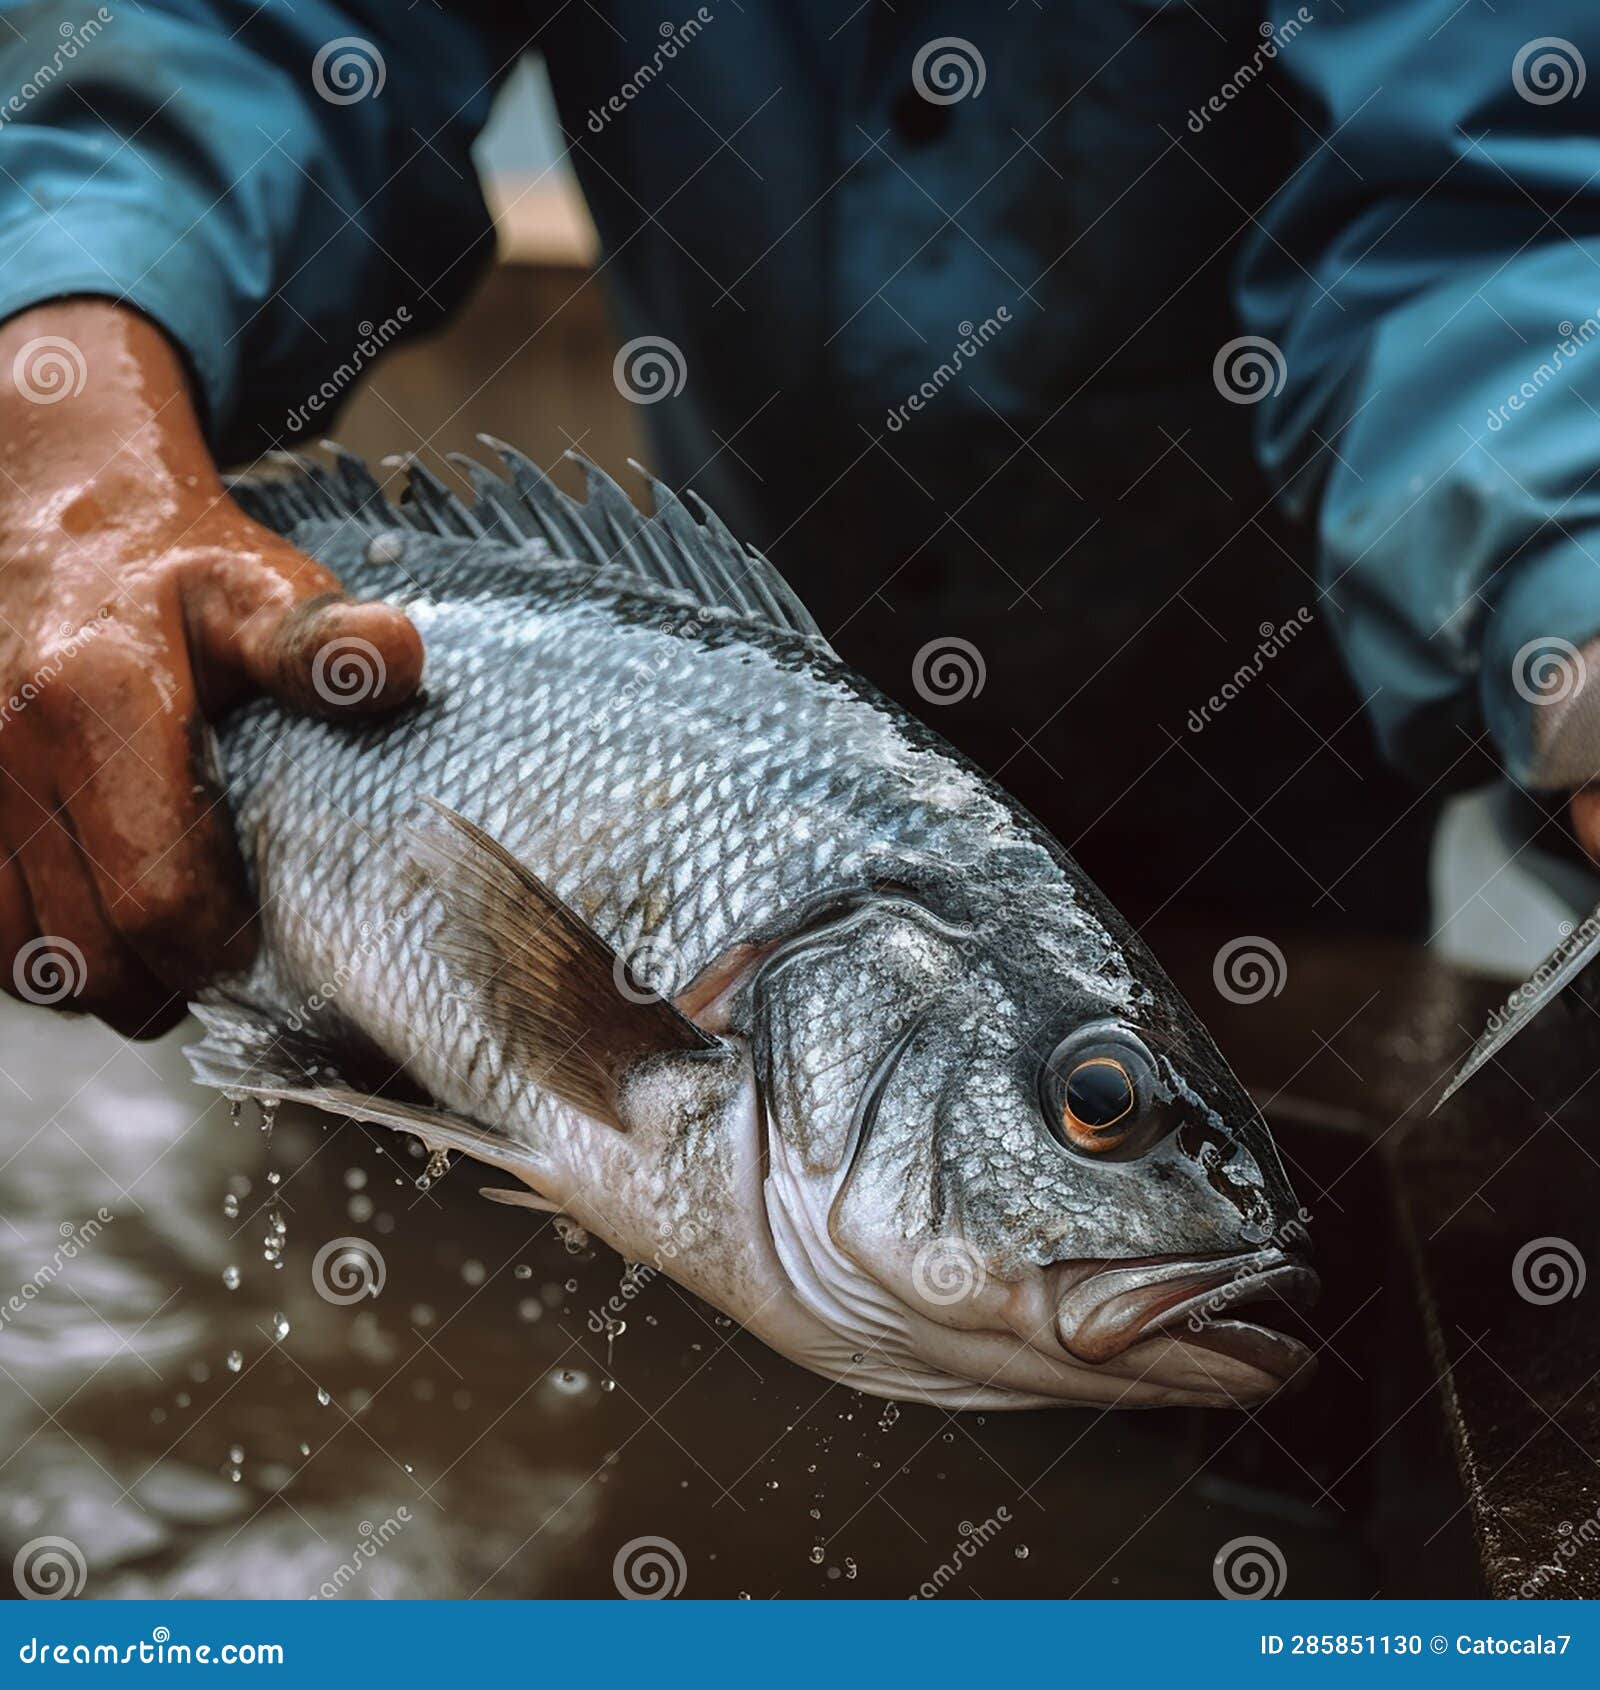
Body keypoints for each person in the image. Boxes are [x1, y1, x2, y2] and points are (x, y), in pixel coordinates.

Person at [1, 0, 1597, 1037]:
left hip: (1287, 818)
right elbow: (266, 33)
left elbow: (1492, 186)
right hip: (670, 754)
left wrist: (1574, 590)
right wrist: (68, 409)